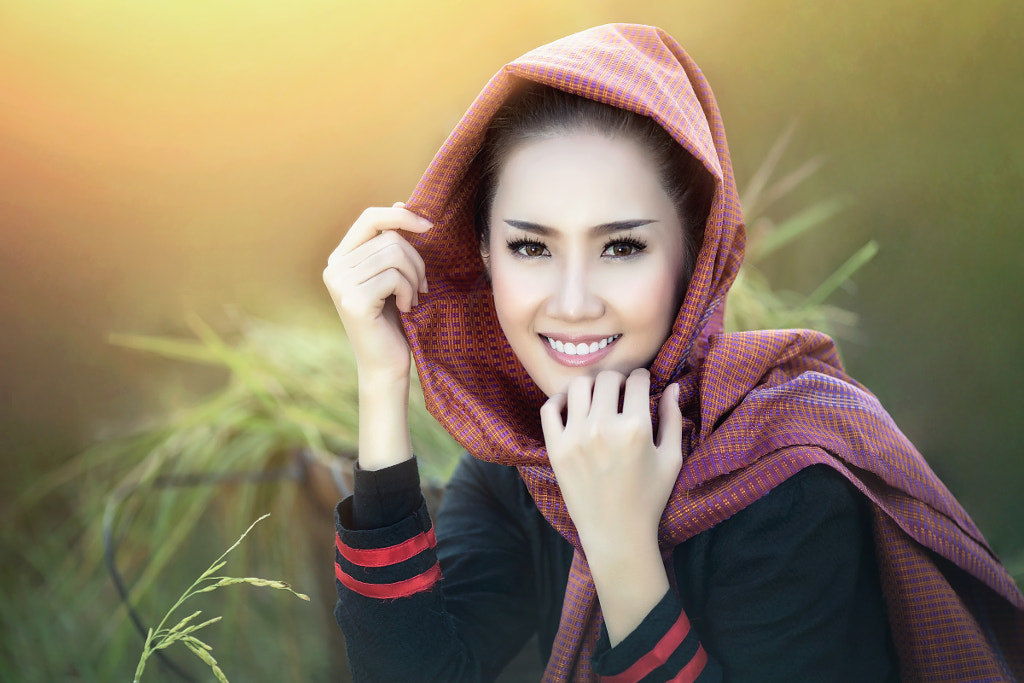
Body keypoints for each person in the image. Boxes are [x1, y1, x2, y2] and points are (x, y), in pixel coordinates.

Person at [323, 24, 1024, 683]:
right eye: (530, 247)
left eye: (621, 246)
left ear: (695, 258)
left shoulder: (786, 476)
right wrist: (383, 382)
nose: (572, 301)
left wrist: (623, 550)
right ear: (483, 256)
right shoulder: (523, 465)